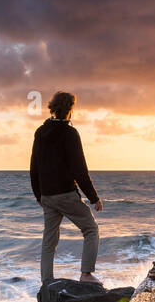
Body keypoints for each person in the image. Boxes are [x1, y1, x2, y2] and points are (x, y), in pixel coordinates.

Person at [30, 91, 102, 286]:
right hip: (65, 194)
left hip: (47, 195)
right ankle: (86, 274)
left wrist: (39, 194)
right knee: (91, 229)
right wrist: (94, 198)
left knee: (49, 240)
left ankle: (46, 282)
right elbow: (79, 169)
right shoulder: (70, 133)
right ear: (71, 109)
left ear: (52, 107)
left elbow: (34, 167)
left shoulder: (40, 132)